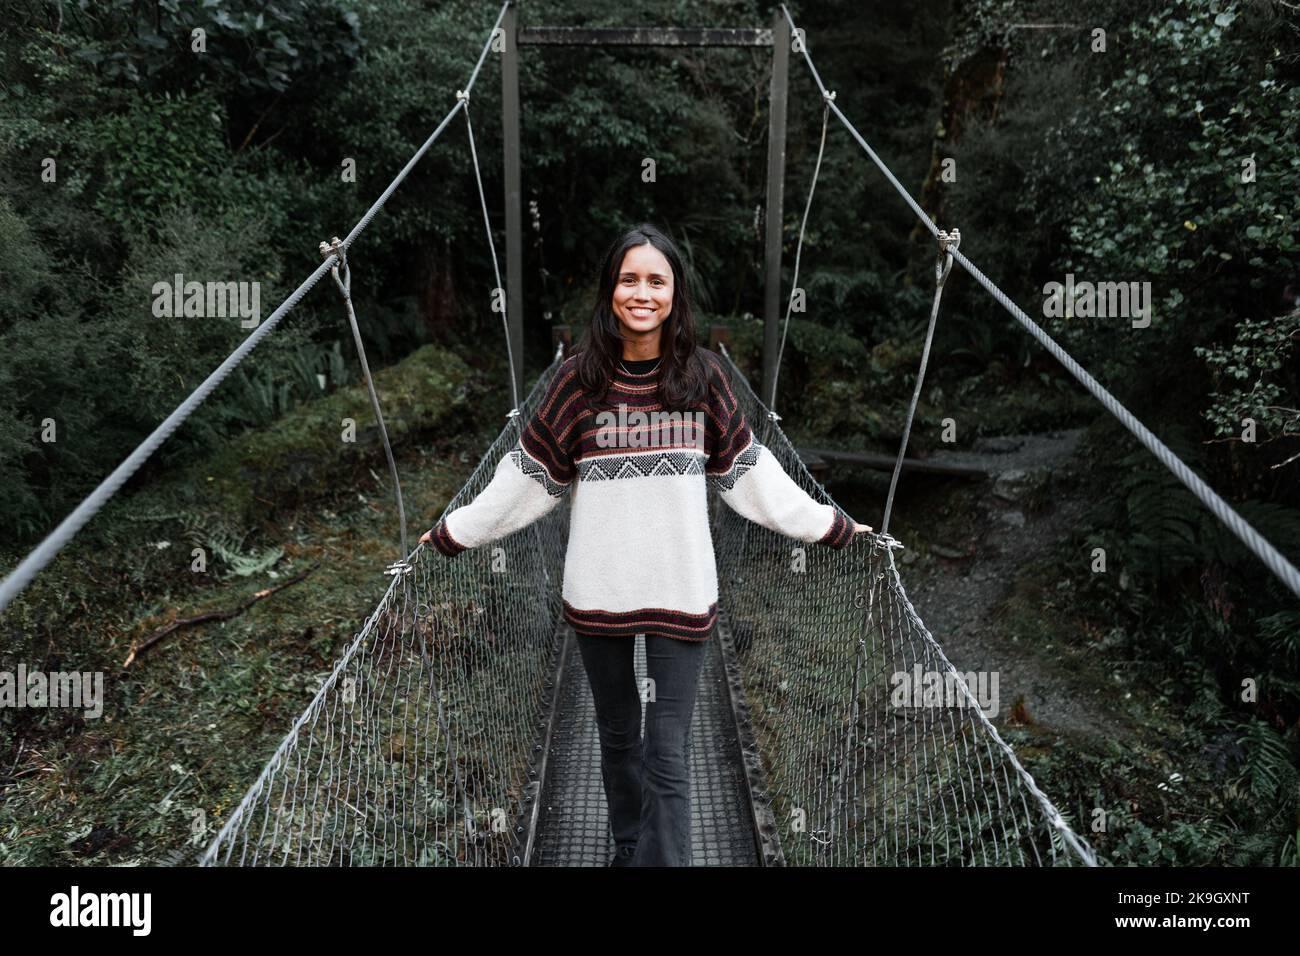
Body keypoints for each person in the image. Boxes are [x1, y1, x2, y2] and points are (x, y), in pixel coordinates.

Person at [420, 222, 871, 866]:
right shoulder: (576, 383)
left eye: (656, 281)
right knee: (616, 738)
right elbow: (527, 477)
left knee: (668, 752)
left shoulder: (703, 378)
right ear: (609, 292)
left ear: (674, 294)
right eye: (629, 279)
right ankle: (628, 845)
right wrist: (452, 532)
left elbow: (750, 474)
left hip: (681, 589)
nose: (642, 293)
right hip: (599, 592)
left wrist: (829, 524)